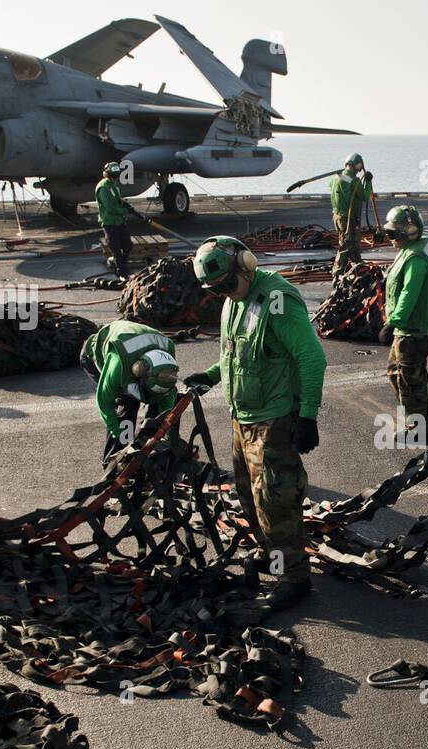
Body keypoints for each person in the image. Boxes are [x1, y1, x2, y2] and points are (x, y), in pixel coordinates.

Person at [184, 237, 328, 612]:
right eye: (217, 291)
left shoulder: (278, 301)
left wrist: (308, 416)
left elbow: (312, 358)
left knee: (276, 503)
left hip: (274, 420)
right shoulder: (235, 303)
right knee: (249, 496)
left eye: (229, 285)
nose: (225, 295)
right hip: (242, 418)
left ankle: (295, 577)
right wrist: (213, 375)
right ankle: (274, 554)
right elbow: (236, 353)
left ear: (246, 266)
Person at [380, 205, 428, 429]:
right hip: (413, 327)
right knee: (398, 371)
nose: (389, 239)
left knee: (407, 378)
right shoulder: (417, 248)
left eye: (392, 234)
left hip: (413, 328)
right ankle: (425, 414)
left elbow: (410, 292)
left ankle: (418, 427)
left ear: (407, 232)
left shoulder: (417, 257)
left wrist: (393, 322)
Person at [79, 321, 180, 465]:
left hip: (135, 352)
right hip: (95, 354)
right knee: (127, 405)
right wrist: (121, 436)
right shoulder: (117, 368)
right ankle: (116, 462)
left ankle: (153, 453)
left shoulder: (168, 364)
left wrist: (165, 433)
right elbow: (104, 403)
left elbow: (167, 408)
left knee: (160, 410)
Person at [329, 153, 373, 275]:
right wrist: (368, 182)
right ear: (358, 165)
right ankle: (337, 273)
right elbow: (364, 196)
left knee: (352, 243)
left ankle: (358, 265)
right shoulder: (354, 181)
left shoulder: (336, 177)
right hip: (347, 219)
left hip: (337, 216)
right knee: (345, 246)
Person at [96, 162, 138, 278]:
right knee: (116, 249)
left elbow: (118, 200)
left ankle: (119, 264)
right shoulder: (103, 188)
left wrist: (127, 206)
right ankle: (121, 271)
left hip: (119, 222)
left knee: (128, 246)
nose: (115, 178)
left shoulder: (113, 186)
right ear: (108, 174)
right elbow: (110, 208)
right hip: (110, 223)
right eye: (113, 176)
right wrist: (125, 211)